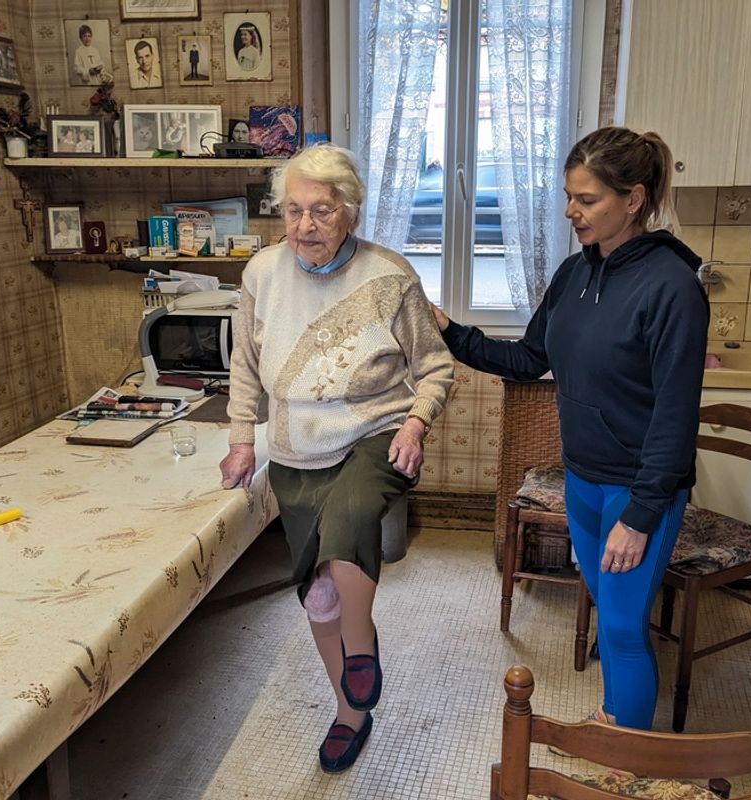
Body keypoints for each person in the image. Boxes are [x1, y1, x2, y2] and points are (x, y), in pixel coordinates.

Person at [432, 126, 708, 733]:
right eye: (568, 195)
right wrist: (450, 330)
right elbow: (530, 359)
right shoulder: (573, 274)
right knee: (609, 609)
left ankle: (621, 751)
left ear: (633, 199)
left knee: (621, 626)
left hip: (638, 492)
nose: (570, 210)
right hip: (582, 480)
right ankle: (617, 720)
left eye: (586, 199)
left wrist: (639, 516)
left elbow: (675, 415)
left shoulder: (672, 287)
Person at [220, 144, 453, 773]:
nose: (304, 226)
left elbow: (434, 367)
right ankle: (351, 711)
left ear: (349, 211)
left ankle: (359, 648)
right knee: (317, 592)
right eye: (293, 211)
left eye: (320, 211)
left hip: (374, 433)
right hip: (296, 446)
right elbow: (244, 364)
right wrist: (244, 438)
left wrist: (414, 423)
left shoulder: (389, 276)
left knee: (350, 527)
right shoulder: (261, 274)